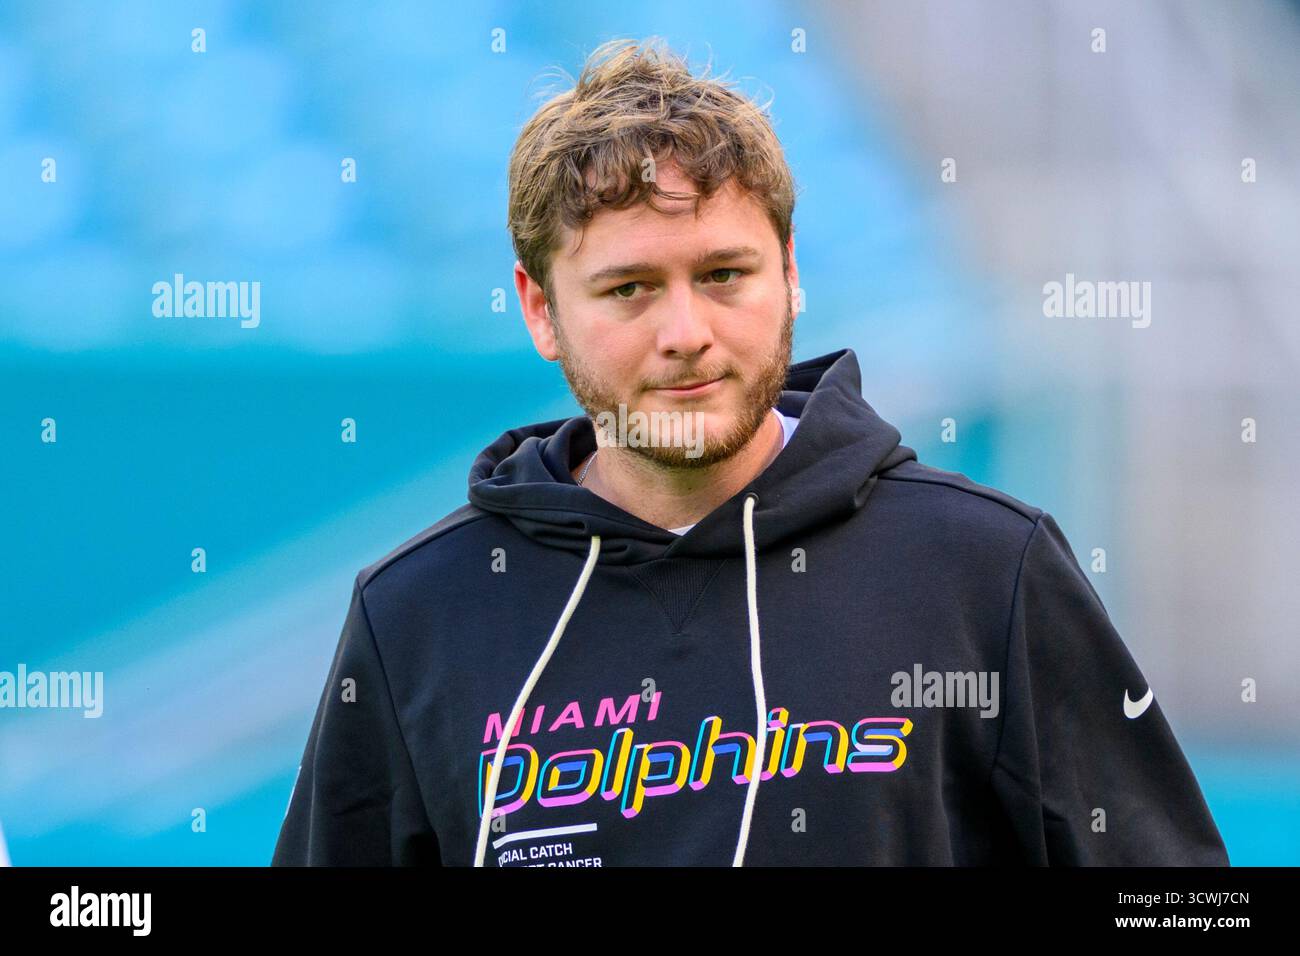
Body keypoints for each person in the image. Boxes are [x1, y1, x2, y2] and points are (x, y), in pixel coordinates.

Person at [272, 37, 1228, 867]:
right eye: (630, 289)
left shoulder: (985, 570)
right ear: (540, 309)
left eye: (724, 274)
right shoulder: (418, 615)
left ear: (791, 273)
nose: (685, 330)